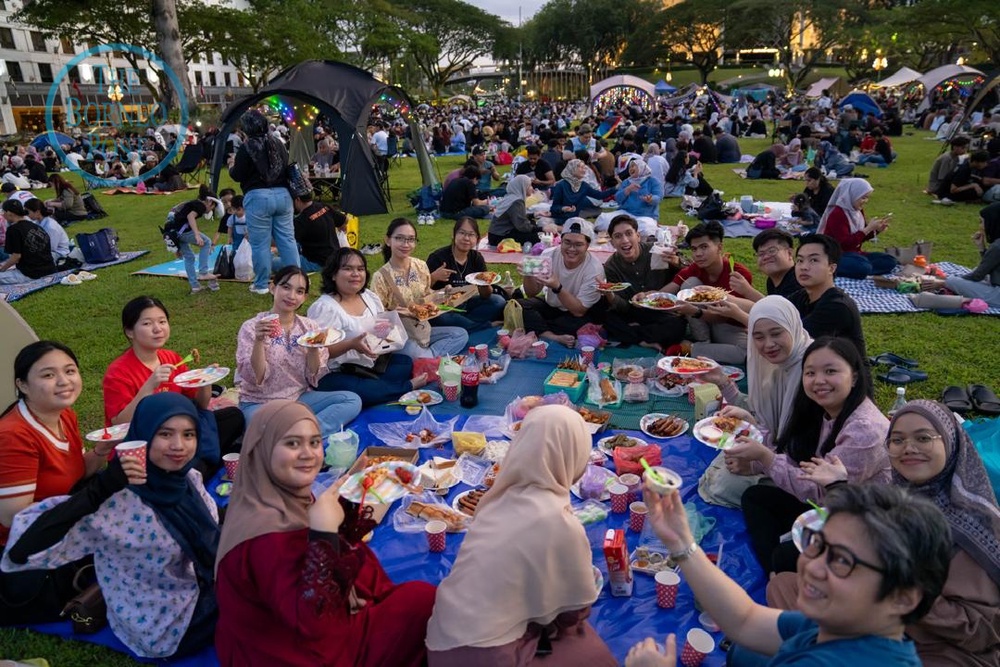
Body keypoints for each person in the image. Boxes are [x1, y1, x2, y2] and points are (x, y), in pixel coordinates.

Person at [766, 399, 1000, 667]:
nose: (908, 448)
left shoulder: (972, 528)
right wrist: (837, 485)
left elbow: (981, 630)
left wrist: (892, 592)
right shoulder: (903, 495)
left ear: (951, 442)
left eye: (923, 438)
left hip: (940, 646)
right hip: (878, 614)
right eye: (897, 440)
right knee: (783, 585)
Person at [625, 483, 951, 667]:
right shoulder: (852, 626)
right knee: (743, 650)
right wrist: (682, 541)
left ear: (903, 597)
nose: (811, 567)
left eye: (842, 561)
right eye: (818, 545)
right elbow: (747, 619)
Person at [215, 400, 436, 666]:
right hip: (290, 649)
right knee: (422, 602)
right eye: (292, 443)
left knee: (402, 591)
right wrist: (324, 534)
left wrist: (346, 503)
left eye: (315, 442)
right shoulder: (265, 536)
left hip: (293, 625)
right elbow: (311, 620)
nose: (308, 453)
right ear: (262, 450)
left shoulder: (270, 496)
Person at [1, 393, 220, 657]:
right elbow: (22, 549)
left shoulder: (188, 480)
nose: (179, 446)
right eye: (165, 434)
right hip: (158, 625)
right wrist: (97, 492)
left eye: (189, 435)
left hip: (191, 589)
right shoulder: (115, 505)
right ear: (144, 435)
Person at [426, 405, 616, 666]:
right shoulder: (561, 523)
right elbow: (574, 613)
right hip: (485, 654)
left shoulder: (494, 500)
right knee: (592, 652)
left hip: (440, 641)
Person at [736, 337, 891, 574]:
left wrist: (765, 459)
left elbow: (821, 493)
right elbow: (795, 455)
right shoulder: (822, 409)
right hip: (828, 508)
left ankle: (781, 573)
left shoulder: (865, 430)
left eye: (831, 371)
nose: (819, 381)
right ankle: (778, 571)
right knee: (755, 496)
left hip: (864, 523)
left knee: (784, 557)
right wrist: (757, 445)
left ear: (855, 377)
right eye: (810, 373)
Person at [0, 342, 118, 624]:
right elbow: (13, 517)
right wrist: (84, 508)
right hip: (24, 542)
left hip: (62, 514)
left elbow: (75, 473)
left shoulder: (63, 414)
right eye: (48, 375)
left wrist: (101, 451)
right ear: (23, 385)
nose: (64, 381)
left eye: (70, 371)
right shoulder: (14, 435)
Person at [102, 296, 242, 460]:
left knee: (233, 417)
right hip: (143, 440)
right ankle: (198, 463)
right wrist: (149, 386)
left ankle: (199, 461)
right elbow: (120, 423)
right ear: (129, 331)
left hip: (177, 432)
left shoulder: (171, 358)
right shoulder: (118, 372)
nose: (157, 329)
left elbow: (201, 405)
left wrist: (206, 381)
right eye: (147, 323)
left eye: (162, 321)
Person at [236, 266, 362, 434]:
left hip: (298, 399)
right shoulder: (253, 327)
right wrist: (259, 341)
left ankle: (304, 436)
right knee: (263, 427)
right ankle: (299, 435)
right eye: (286, 287)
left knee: (351, 401)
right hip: (261, 403)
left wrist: (312, 349)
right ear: (273, 288)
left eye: (299, 291)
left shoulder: (309, 327)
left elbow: (314, 376)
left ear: (304, 297)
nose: (291, 296)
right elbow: (255, 377)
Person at [307, 248, 428, 406]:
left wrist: (387, 328)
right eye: (348, 269)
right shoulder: (325, 308)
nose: (356, 274)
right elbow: (319, 351)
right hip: (338, 372)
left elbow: (379, 330)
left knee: (404, 362)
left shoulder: (369, 297)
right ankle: (407, 387)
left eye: (360, 269)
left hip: (371, 364)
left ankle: (382, 390)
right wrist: (351, 345)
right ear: (333, 274)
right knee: (360, 390)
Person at [371, 218, 469, 359]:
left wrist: (443, 294)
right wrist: (398, 313)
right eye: (399, 238)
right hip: (400, 336)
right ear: (388, 240)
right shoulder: (380, 277)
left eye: (411, 239)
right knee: (412, 351)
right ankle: (427, 357)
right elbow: (377, 318)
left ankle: (427, 357)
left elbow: (427, 294)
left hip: (422, 330)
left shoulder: (421, 266)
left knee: (460, 334)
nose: (406, 244)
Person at [229, 109, 300, 295]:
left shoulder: (247, 147)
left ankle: (261, 284)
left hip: (258, 196)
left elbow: (238, 175)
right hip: (284, 195)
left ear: (246, 128)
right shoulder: (278, 142)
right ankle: (297, 280)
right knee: (287, 240)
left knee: (260, 243)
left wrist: (231, 166)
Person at [664, 221, 752, 364]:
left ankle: (691, 349)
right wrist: (648, 297)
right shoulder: (695, 268)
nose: (698, 254)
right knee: (691, 283)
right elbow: (671, 288)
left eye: (704, 247)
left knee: (748, 353)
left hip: (729, 326)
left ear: (719, 247)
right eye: (694, 249)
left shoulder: (738, 276)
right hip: (702, 325)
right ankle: (704, 342)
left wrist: (695, 311)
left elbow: (723, 318)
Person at [602, 215, 686, 350]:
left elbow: (689, 272)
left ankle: (635, 335)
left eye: (629, 234)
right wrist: (610, 295)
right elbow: (623, 306)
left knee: (677, 326)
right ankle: (644, 338)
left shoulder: (657, 250)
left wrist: (676, 262)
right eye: (618, 236)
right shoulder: (611, 267)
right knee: (606, 317)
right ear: (612, 243)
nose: (624, 240)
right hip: (633, 311)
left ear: (638, 236)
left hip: (661, 310)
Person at [519, 219, 605, 347]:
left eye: (578, 244)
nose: (571, 249)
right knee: (520, 306)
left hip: (576, 312)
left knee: (581, 324)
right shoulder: (549, 255)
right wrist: (528, 274)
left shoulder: (594, 269)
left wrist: (557, 287)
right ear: (561, 241)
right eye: (567, 242)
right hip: (552, 306)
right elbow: (531, 293)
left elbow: (579, 311)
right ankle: (550, 335)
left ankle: (540, 328)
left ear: (587, 246)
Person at [785, 235, 868, 360]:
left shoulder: (838, 306)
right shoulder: (803, 296)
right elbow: (774, 310)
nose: (804, 267)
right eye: (800, 260)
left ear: (831, 268)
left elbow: (790, 338)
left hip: (842, 377)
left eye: (813, 260)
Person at [426, 218, 506, 331]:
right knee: (442, 318)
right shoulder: (438, 257)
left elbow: (485, 296)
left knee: (498, 301)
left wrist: (485, 284)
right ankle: (480, 326)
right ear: (453, 235)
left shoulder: (476, 257)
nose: (466, 238)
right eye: (462, 233)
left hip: (466, 304)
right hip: (443, 307)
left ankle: (465, 324)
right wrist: (433, 277)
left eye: (471, 235)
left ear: (477, 239)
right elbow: (421, 292)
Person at [816, 178, 897, 278]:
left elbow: (860, 237)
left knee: (890, 261)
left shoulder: (857, 211)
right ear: (852, 195)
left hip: (854, 254)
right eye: (863, 198)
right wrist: (868, 229)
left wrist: (876, 230)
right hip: (837, 254)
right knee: (863, 266)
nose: (866, 201)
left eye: (867, 198)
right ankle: (833, 267)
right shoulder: (837, 214)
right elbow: (845, 244)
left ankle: (861, 269)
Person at [166, 186, 223, 294]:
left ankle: (195, 286)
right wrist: (196, 234)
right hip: (182, 231)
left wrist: (176, 248)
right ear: (210, 202)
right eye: (212, 208)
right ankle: (203, 271)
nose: (209, 211)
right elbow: (190, 216)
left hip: (173, 233)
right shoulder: (201, 205)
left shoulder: (191, 203)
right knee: (206, 242)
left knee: (189, 257)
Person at [944, 202, 1000, 307]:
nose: (980, 226)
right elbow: (991, 265)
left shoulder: (997, 246)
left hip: (997, 296)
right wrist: (982, 248)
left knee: (952, 281)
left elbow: (977, 276)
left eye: (981, 222)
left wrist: (946, 281)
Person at [595, 156, 662, 236]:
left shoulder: (653, 181)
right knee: (602, 220)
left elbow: (658, 197)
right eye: (630, 167)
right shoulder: (627, 182)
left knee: (646, 228)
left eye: (634, 166)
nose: (631, 169)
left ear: (641, 167)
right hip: (625, 213)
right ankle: (628, 232)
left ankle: (623, 231)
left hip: (645, 215)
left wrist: (650, 199)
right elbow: (618, 199)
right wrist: (627, 190)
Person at [0, 199, 56, 285]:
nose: (2, 214)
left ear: (9, 213)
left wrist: (2, 269)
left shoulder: (13, 230)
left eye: (3, 211)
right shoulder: (35, 226)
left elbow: (16, 257)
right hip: (50, 269)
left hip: (30, 274)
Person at [548, 160, 616, 225]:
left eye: (584, 168)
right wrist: (563, 208)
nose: (584, 170)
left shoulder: (583, 185)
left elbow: (599, 195)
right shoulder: (561, 185)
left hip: (573, 220)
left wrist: (615, 189)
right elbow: (554, 208)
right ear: (572, 168)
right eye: (580, 167)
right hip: (559, 219)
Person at [292, 192, 345, 272]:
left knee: (274, 262)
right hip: (334, 257)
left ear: (298, 199)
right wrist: (341, 230)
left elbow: (284, 240)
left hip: (315, 263)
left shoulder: (301, 221)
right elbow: (344, 220)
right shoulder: (323, 206)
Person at [487, 174, 541, 246]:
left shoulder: (511, 197)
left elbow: (515, 217)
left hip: (495, 234)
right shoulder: (517, 201)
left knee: (532, 223)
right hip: (499, 237)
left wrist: (533, 215)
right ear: (523, 187)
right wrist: (541, 229)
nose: (532, 188)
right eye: (530, 185)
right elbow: (522, 225)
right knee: (533, 237)